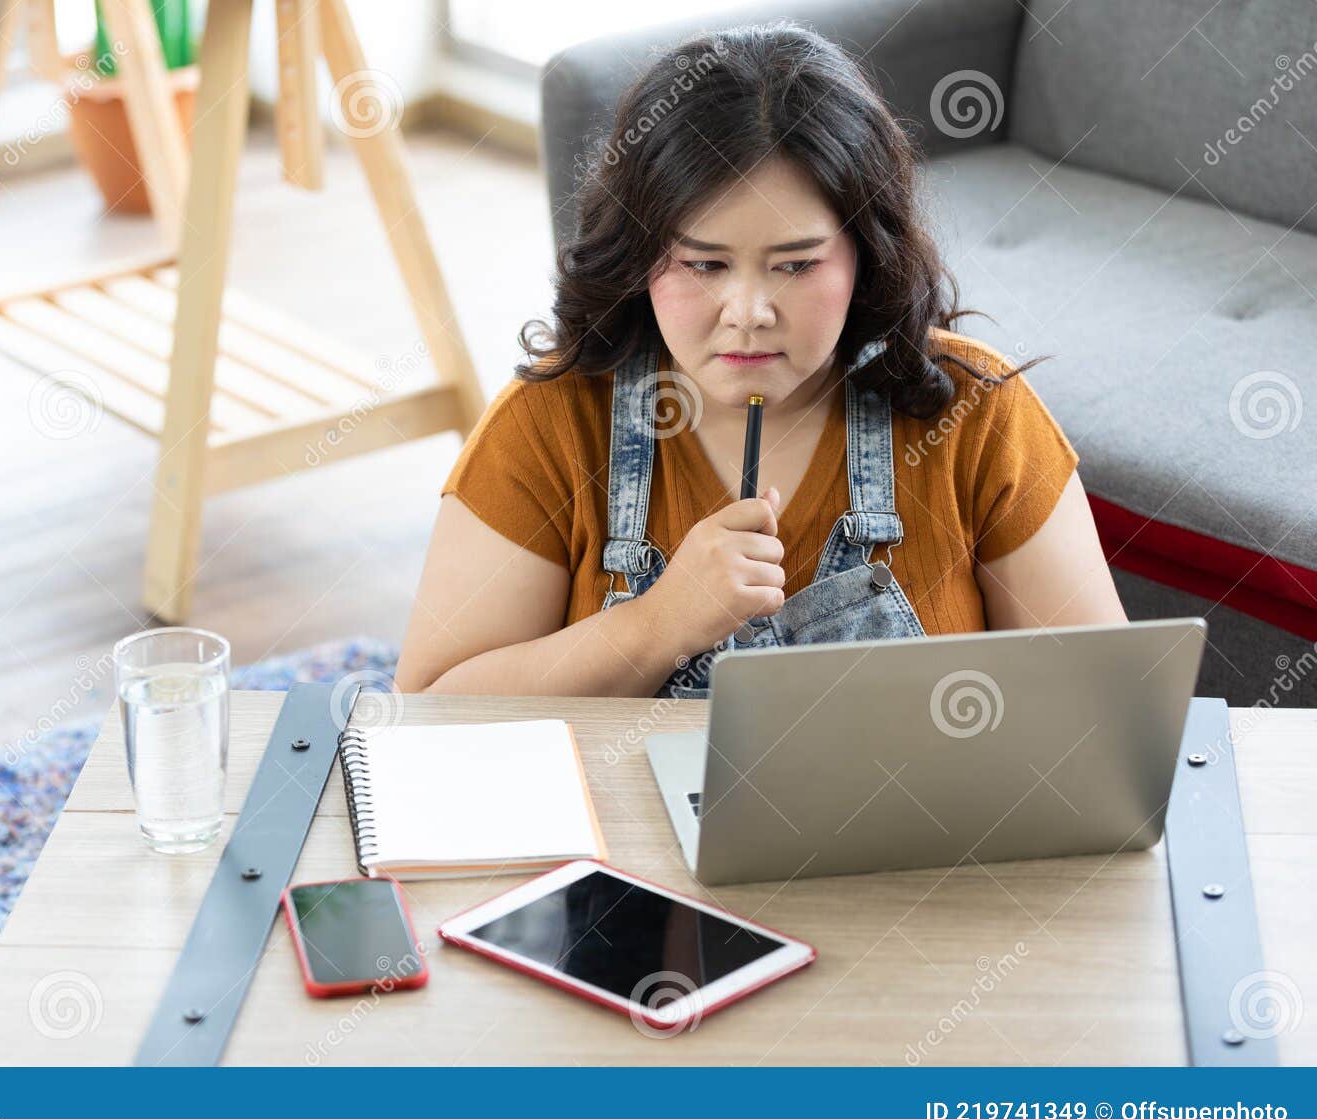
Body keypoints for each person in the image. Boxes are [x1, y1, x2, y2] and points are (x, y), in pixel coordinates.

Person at [397, 20, 1125, 698]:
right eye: (704, 264)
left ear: (866, 258)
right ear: (641, 256)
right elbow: (429, 709)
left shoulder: (978, 413)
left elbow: (1104, 701)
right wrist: (658, 625)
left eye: (797, 265)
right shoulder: (550, 423)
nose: (748, 312)